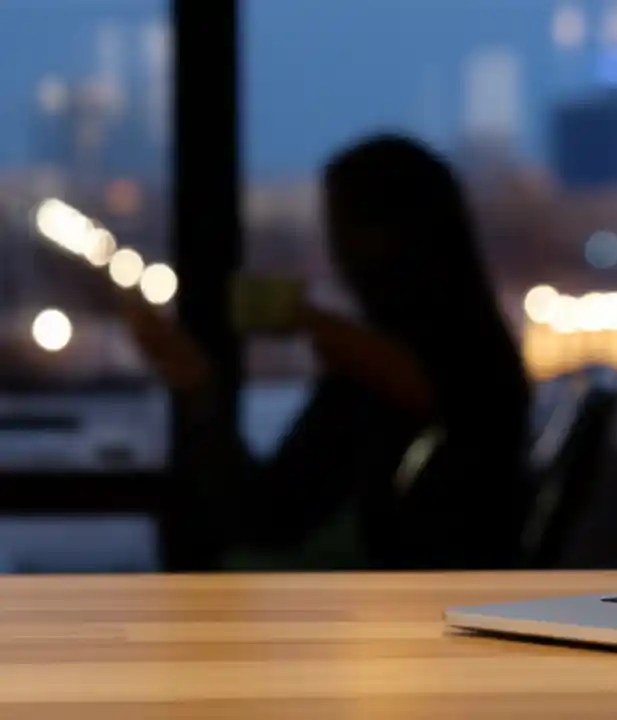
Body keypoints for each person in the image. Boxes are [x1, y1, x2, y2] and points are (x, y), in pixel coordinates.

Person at [124, 134, 531, 569]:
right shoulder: (480, 355)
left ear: (385, 235)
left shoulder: (378, 374)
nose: (334, 247)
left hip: (377, 599)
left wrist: (199, 387)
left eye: (339, 224)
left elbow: (269, 518)